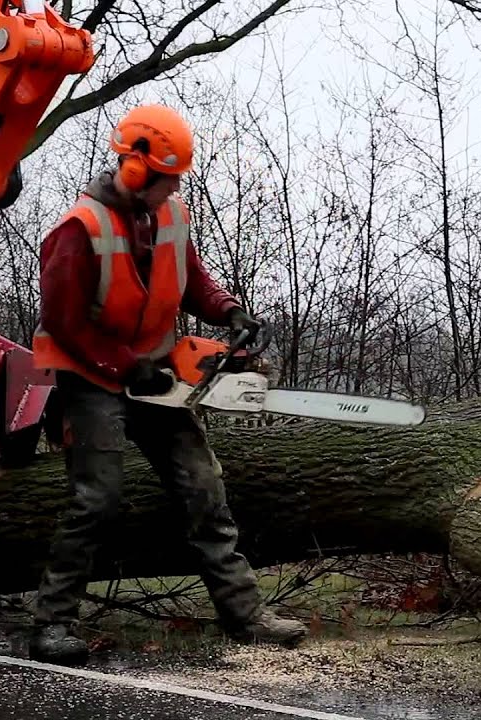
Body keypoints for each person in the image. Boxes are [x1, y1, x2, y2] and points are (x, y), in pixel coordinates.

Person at [28, 104, 307, 664]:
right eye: (167, 177)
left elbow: (191, 282)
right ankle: (52, 623)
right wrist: (126, 367)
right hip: (93, 378)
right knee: (97, 498)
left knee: (202, 486)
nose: (174, 186)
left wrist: (229, 312)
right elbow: (64, 321)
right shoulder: (77, 231)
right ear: (134, 168)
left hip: (158, 376)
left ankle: (244, 614)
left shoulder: (170, 216)